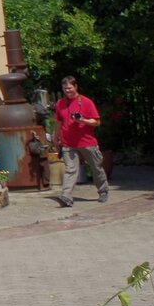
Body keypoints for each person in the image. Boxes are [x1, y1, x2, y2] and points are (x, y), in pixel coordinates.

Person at [54, 74, 109, 208]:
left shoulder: (86, 102)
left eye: (70, 88)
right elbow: (58, 122)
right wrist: (56, 137)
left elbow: (96, 122)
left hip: (87, 142)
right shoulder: (60, 103)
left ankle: (103, 191)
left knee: (96, 167)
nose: (68, 90)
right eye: (65, 88)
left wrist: (83, 120)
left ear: (76, 87)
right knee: (70, 169)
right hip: (68, 143)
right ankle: (66, 196)